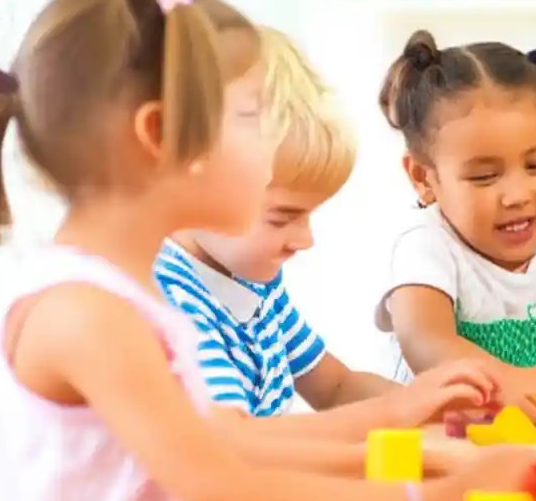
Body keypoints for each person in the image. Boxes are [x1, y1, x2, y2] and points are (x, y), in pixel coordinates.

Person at [0, 0, 536, 501]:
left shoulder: (123, 296)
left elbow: (221, 447)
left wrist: (404, 458)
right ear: (162, 136)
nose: (268, 150)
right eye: (248, 118)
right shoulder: (88, 315)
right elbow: (230, 497)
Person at [155, 26, 494, 439]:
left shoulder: (253, 282)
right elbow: (238, 447)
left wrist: (432, 406)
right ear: (191, 182)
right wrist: (395, 413)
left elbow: (335, 387)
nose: (304, 240)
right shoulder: (173, 307)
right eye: (282, 217)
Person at [376, 30, 536, 430]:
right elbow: (424, 341)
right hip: (440, 449)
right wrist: (513, 384)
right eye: (484, 177)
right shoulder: (426, 246)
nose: (516, 195)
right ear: (423, 178)